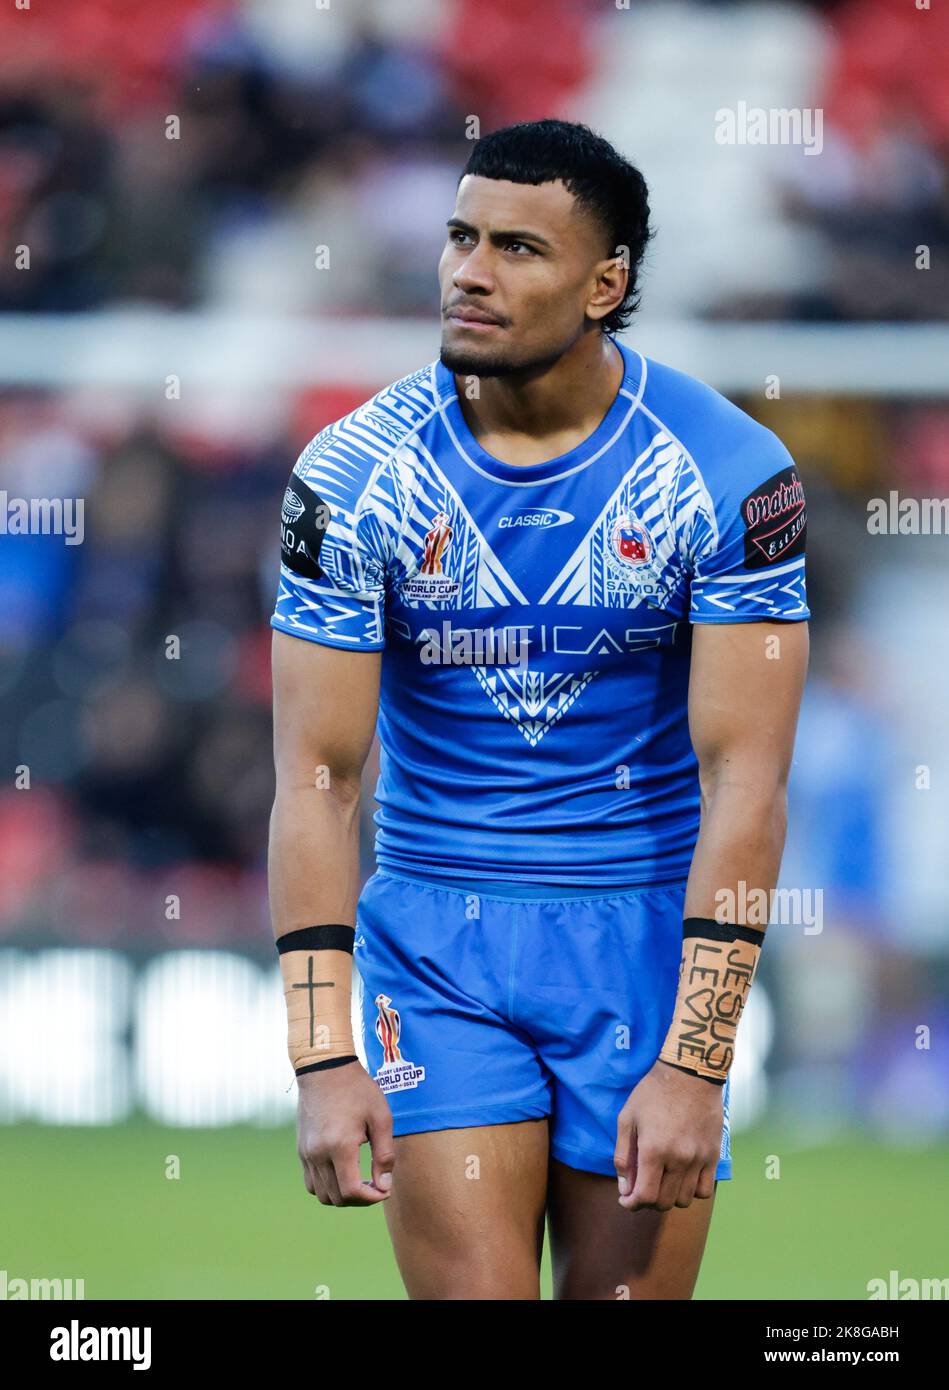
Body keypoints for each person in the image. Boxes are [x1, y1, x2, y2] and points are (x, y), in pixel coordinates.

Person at [268, 119, 809, 1300]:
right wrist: (321, 1054)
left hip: (645, 950)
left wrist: (698, 1065)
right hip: (437, 947)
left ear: (605, 283)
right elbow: (317, 778)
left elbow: (748, 782)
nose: (470, 270)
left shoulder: (729, 474)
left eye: (518, 247)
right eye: (462, 237)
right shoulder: (354, 477)